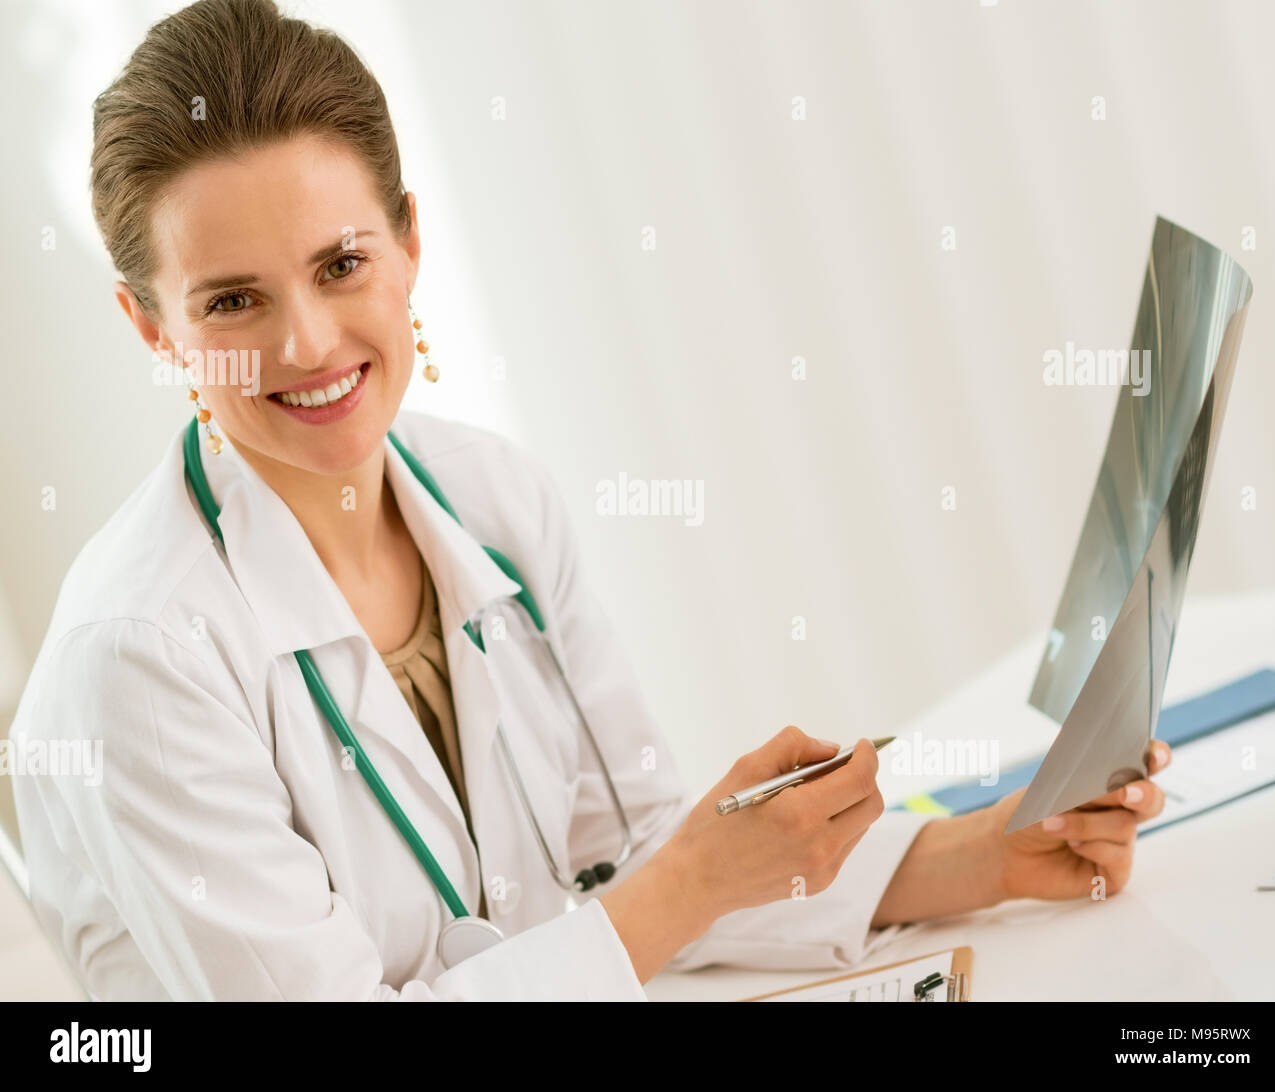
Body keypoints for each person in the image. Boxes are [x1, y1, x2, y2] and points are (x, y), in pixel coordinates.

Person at [8, 0, 1169, 1001]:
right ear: (151, 329)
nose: (306, 342)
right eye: (230, 303)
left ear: (408, 246)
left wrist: (979, 856)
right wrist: (692, 879)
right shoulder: (141, 661)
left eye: (341, 264)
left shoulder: (488, 499)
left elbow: (618, 856)